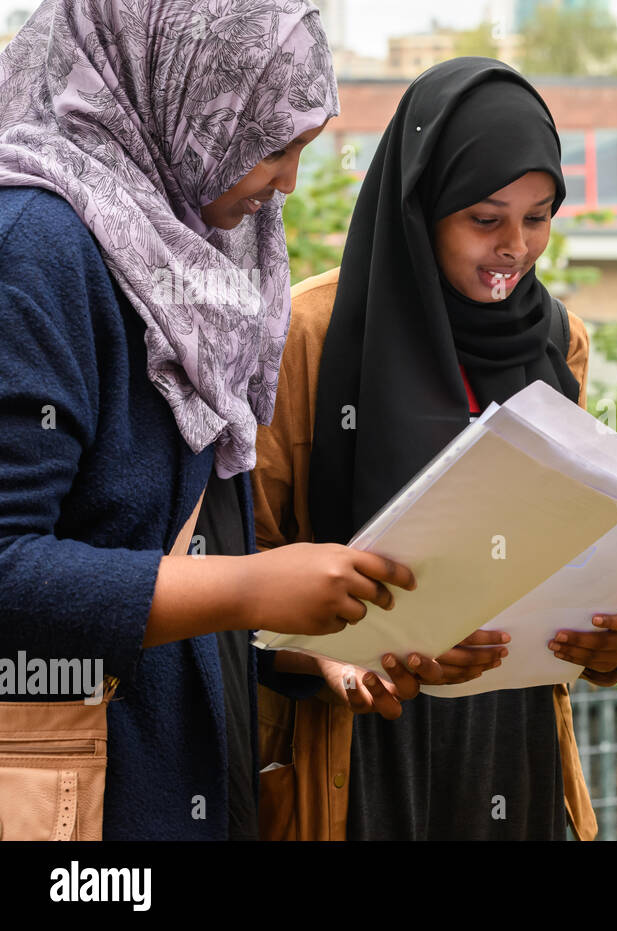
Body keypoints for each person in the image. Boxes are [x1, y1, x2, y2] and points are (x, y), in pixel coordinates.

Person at [0, 0, 415, 840]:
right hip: (71, 803)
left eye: (302, 147)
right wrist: (255, 585)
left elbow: (178, 555)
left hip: (165, 780)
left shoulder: (188, 250)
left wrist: (308, 648)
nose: (287, 183)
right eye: (272, 147)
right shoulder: (34, 249)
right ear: (178, 90)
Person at [252, 57, 617, 841]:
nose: (515, 247)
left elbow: (565, 544)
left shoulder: (559, 341)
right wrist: (342, 658)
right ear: (421, 206)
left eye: (539, 217)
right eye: (485, 218)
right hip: (362, 739)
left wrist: (598, 641)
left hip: (512, 737)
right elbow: (243, 577)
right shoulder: (307, 337)